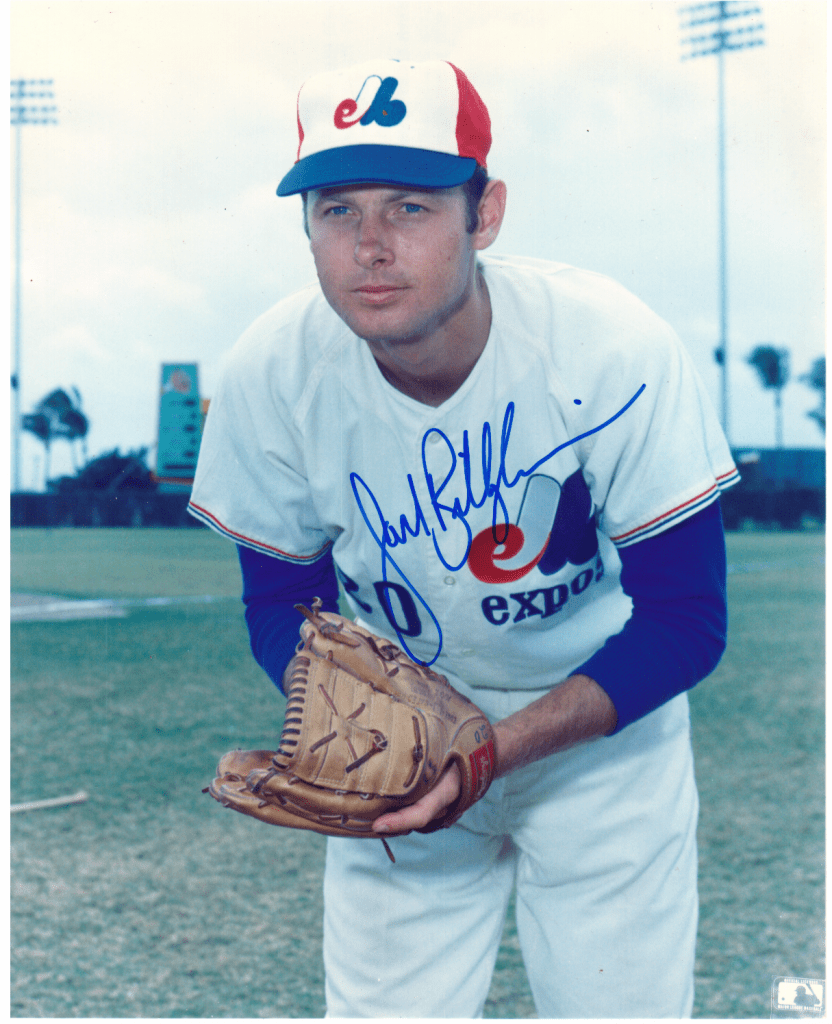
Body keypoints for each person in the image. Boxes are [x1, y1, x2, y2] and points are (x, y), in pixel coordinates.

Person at [189, 57, 739, 1018]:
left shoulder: (608, 347)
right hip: (397, 757)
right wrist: (343, 723)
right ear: (306, 230)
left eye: (409, 207)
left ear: (483, 214)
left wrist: (489, 750)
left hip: (601, 739)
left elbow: (688, 619)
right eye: (337, 211)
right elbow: (279, 603)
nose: (370, 246)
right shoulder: (271, 375)